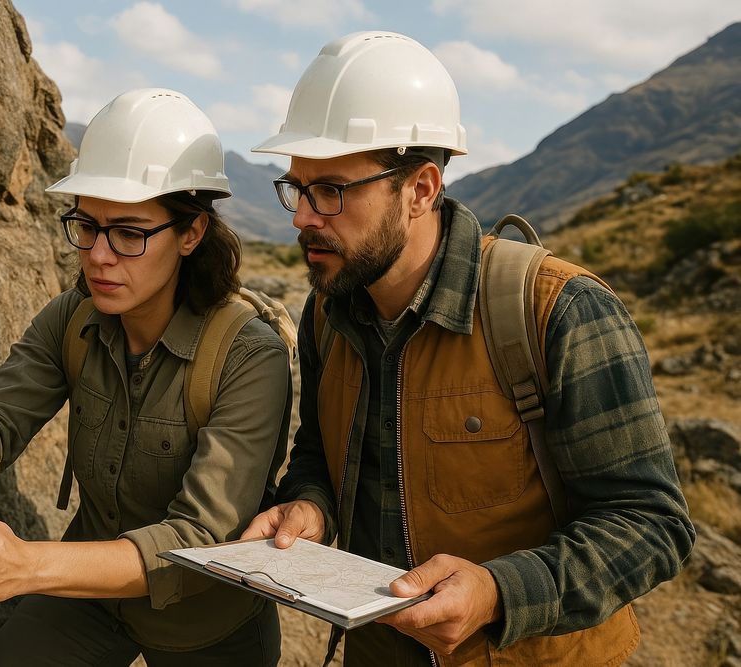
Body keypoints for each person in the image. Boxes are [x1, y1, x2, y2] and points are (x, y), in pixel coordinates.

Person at [242, 31, 695, 666]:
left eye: (332, 191)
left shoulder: (555, 310)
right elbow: (319, 450)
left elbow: (651, 526)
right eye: (296, 188)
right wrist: (310, 505)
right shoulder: (327, 311)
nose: (302, 217)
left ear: (421, 189)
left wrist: (498, 592)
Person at [0, 88, 291, 666]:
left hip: (210, 624)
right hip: (87, 598)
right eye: (87, 225)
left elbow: (198, 543)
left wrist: (25, 565)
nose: (100, 256)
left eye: (130, 233)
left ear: (192, 233)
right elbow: (2, 409)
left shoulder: (247, 357)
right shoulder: (75, 318)